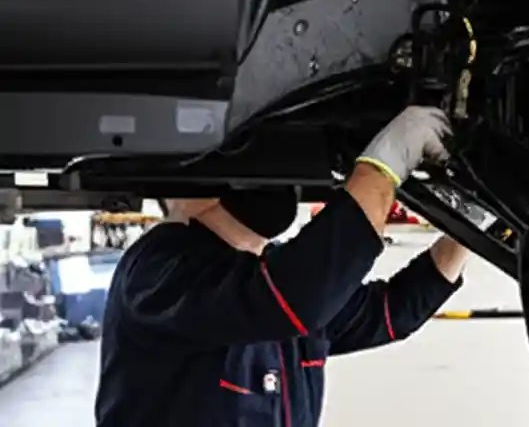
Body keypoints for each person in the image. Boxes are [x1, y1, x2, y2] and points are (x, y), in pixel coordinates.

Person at [95, 106, 469, 427]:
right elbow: (294, 296)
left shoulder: (271, 278)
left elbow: (392, 311)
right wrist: (387, 161)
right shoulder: (156, 270)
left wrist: (469, 227)